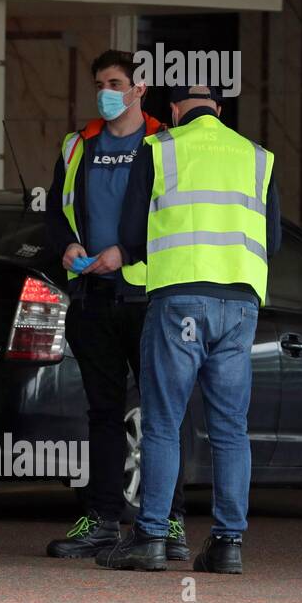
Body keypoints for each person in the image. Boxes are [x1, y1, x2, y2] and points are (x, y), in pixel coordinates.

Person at [98, 85, 280, 574]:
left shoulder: (159, 148)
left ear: (175, 111)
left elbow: (132, 236)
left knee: (162, 421)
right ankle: (227, 545)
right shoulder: (257, 157)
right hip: (240, 304)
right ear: (218, 111)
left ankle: (152, 538)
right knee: (230, 428)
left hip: (179, 300)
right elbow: (275, 237)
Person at [44, 50, 188, 559]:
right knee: (104, 413)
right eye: (100, 82)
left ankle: (168, 524)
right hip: (93, 295)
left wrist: (124, 252)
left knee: (161, 416)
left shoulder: (164, 144)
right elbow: (54, 211)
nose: (106, 91)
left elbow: (177, 219)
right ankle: (103, 520)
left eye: (115, 82)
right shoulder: (77, 144)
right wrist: (67, 244)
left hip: (149, 297)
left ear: (138, 88)